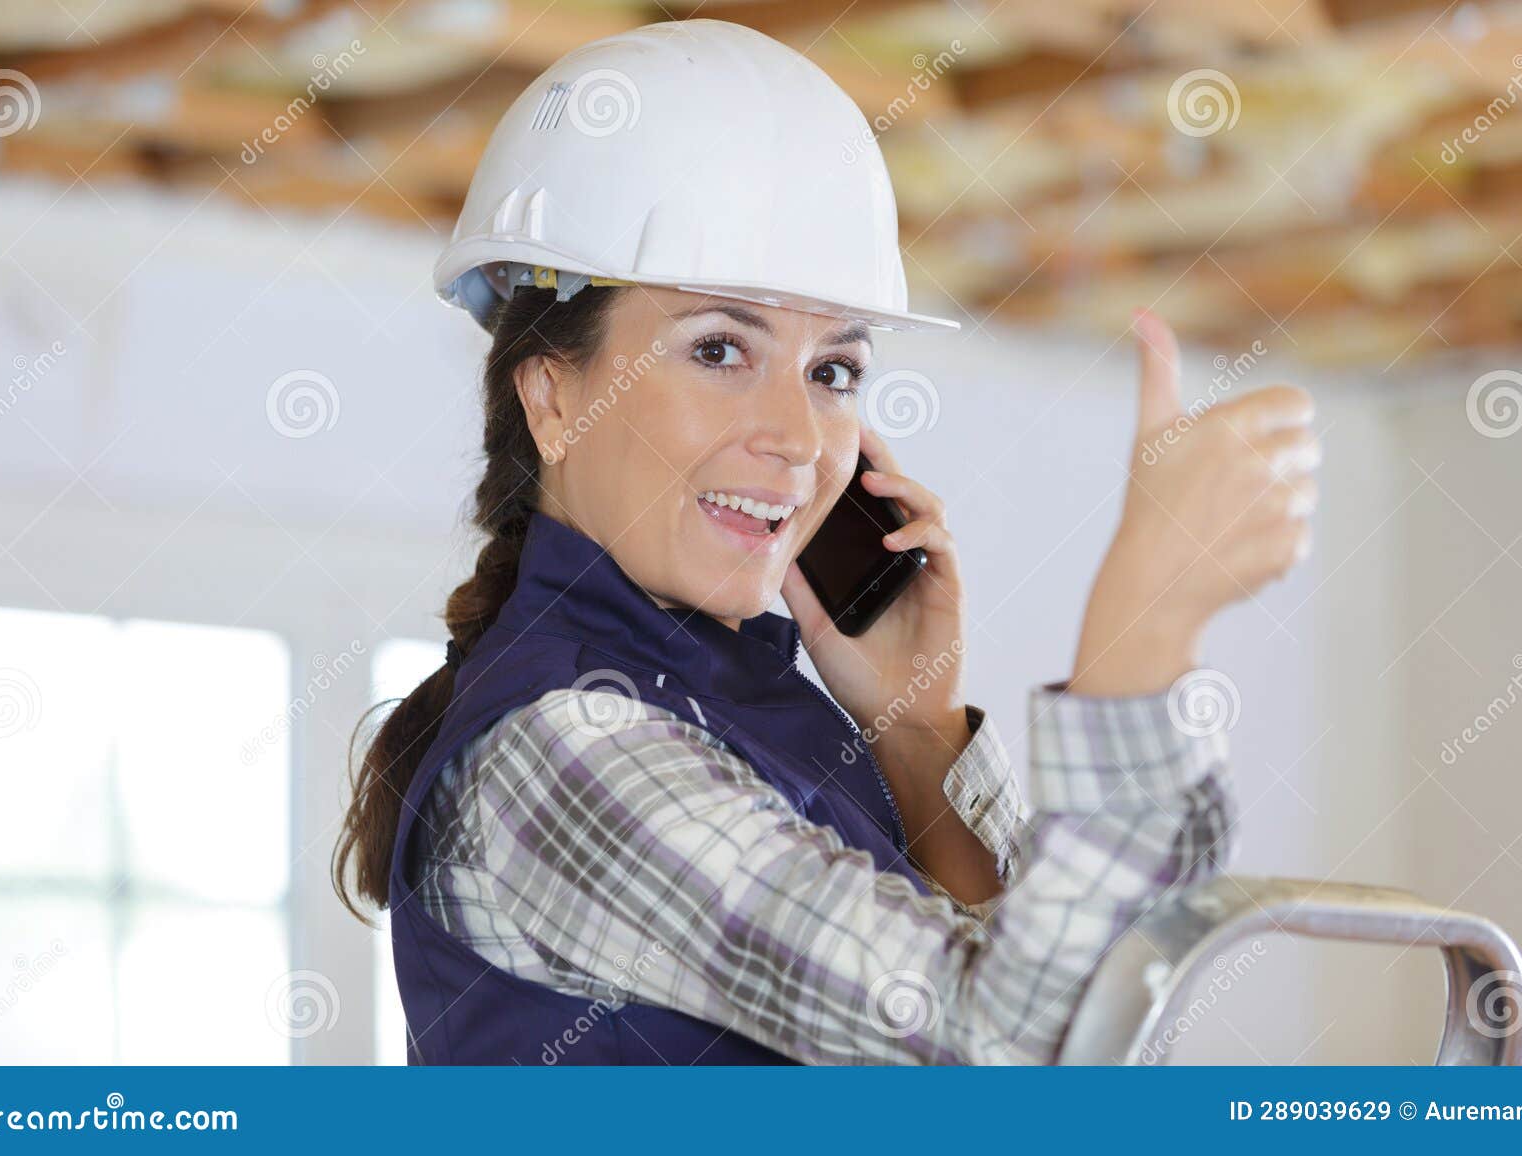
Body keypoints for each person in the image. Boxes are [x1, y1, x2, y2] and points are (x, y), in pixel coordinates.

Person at [333, 19, 1319, 1065]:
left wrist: (919, 734)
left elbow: (1099, 1047)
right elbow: (1025, 1055)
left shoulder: (761, 712)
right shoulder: (566, 750)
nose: (799, 438)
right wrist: (1145, 625)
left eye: (833, 371)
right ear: (553, 398)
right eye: (719, 348)